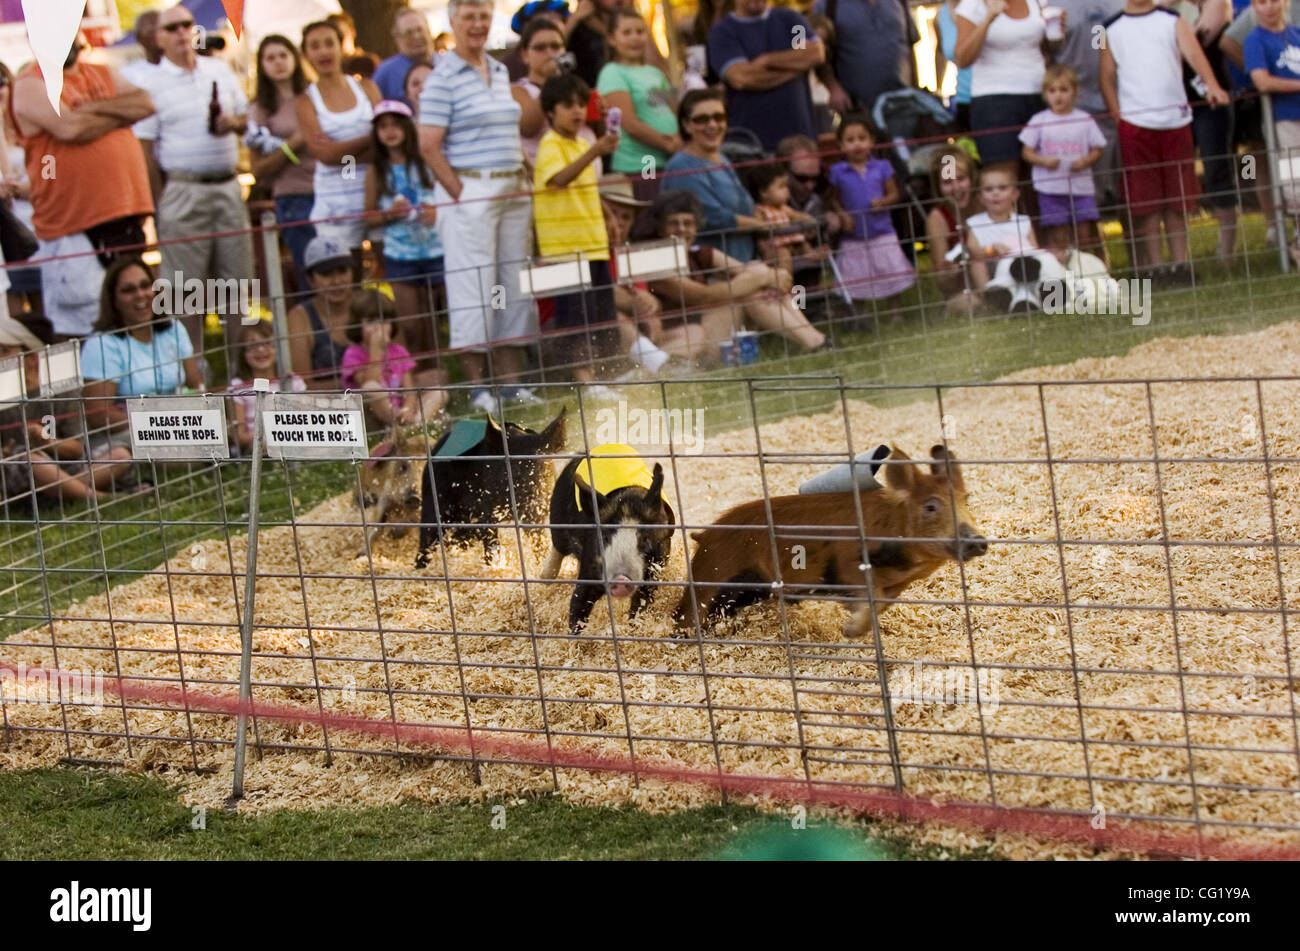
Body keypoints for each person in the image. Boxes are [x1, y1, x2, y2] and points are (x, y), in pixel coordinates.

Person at [418, 0, 538, 417]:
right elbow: (428, 144)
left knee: (512, 281)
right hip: (471, 190)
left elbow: (505, 126)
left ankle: (511, 383)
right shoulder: (441, 77)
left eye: (484, 16)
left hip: (512, 188)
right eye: (469, 16)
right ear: (452, 22)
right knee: (474, 285)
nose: (477, 24)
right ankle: (478, 388)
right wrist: (458, 192)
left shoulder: (501, 69)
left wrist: (522, 163)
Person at [9, 21, 155, 339]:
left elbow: (146, 104)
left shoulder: (102, 72)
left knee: (133, 321)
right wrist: (119, 114)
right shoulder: (30, 84)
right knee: (87, 329)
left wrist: (88, 110)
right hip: (74, 229)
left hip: (124, 220)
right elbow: (69, 130)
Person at [133, 4, 254, 366]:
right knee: (186, 292)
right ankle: (193, 374)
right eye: (172, 28)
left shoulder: (218, 69)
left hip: (229, 186)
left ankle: (241, 373)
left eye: (187, 24)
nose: (182, 32)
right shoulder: (150, 83)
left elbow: (248, 119)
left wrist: (232, 122)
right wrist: (159, 206)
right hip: (182, 190)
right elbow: (146, 153)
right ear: (159, 38)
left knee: (236, 286)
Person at [1100, 0, 1229, 282]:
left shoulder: (1171, 19)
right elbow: (1106, 76)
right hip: (1136, 126)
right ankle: (1157, 268)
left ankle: (1181, 264)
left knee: (1178, 199)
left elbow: (1194, 54)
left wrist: (1213, 86)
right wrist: (1118, 116)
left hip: (1176, 121)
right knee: (1145, 203)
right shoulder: (1108, 28)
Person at [634, 190, 829, 364]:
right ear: (660, 229)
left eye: (688, 223)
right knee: (750, 287)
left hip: (708, 333)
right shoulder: (653, 258)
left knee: (754, 272)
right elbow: (701, 295)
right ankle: (816, 342)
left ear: (696, 228)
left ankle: (814, 340)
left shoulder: (698, 252)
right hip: (688, 342)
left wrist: (772, 276)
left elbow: (748, 270)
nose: (682, 229)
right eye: (673, 223)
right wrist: (764, 278)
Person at [534, 73, 622, 389]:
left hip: (593, 244)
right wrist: (595, 151)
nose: (577, 111)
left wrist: (609, 215)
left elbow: (586, 187)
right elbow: (559, 180)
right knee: (575, 320)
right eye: (568, 105)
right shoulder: (550, 144)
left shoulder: (582, 143)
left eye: (581, 104)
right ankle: (586, 382)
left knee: (601, 315)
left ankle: (607, 377)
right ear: (549, 111)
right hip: (564, 250)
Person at [363, 98, 448, 412]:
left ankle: (438, 384)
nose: (390, 131)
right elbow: (368, 216)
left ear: (408, 128)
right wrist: (390, 214)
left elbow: (447, 196)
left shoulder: (426, 161)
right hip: (400, 256)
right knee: (411, 324)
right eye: (383, 126)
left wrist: (435, 212)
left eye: (395, 124)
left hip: (436, 249)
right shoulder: (377, 171)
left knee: (435, 318)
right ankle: (418, 387)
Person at [80, 258, 203, 454]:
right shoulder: (101, 344)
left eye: (145, 286)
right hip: (129, 433)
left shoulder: (173, 329)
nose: (140, 295)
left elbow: (196, 386)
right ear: (113, 301)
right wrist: (158, 425)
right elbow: (98, 415)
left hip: (180, 425)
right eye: (128, 290)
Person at [0, 342, 134, 505]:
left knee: (120, 455)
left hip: (67, 466)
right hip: (19, 470)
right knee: (29, 459)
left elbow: (77, 448)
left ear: (31, 359)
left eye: (5, 351)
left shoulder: (63, 391)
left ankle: (59, 492)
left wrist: (49, 442)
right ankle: (99, 497)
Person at [297, 19, 382, 252]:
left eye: (329, 43)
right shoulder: (306, 102)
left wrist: (342, 150)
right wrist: (369, 138)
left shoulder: (367, 88)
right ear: (305, 54)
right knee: (346, 277)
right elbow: (325, 155)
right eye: (315, 46)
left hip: (378, 196)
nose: (323, 51)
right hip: (336, 206)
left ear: (341, 46)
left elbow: (388, 139)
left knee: (390, 272)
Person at [953, 0, 1058, 186]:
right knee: (1003, 179)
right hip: (994, 100)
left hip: (1038, 95)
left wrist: (1057, 37)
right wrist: (988, 19)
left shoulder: (1037, 2)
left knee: (1043, 177)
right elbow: (962, 58)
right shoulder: (972, 5)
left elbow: (1040, 48)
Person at [663, 89, 769, 262]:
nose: (712, 125)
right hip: (711, 272)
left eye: (719, 117)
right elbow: (710, 218)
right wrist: (762, 225)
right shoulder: (681, 166)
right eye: (701, 119)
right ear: (686, 125)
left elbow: (741, 207)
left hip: (743, 263)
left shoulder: (722, 159)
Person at [247, 35, 317, 292]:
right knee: (309, 275)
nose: (278, 62)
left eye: (283, 55)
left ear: (295, 58)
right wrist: (292, 145)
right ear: (262, 65)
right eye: (270, 57)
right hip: (294, 198)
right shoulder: (260, 108)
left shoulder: (315, 95)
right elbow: (258, 170)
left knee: (341, 269)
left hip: (331, 192)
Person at [827, 115, 916, 317]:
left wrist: (883, 202)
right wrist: (842, 215)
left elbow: (894, 194)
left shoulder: (882, 167)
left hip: (881, 230)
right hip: (854, 235)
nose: (857, 144)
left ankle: (896, 311)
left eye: (862, 138)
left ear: (872, 141)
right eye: (850, 140)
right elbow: (833, 199)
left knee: (889, 270)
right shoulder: (838, 172)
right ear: (841, 145)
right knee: (856, 273)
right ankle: (860, 314)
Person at [708, 0, 825, 150]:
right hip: (753, 146)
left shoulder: (792, 20)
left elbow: (814, 53)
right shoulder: (723, 32)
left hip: (802, 141)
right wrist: (796, 68)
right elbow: (742, 78)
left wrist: (767, 61)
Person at [1019, 64, 1107, 257]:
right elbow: (1027, 151)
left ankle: (1086, 266)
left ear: (1075, 92)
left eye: (1064, 90)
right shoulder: (1039, 120)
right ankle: (1062, 269)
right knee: (1058, 233)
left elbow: (1098, 147)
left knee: (1084, 233)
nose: (1058, 96)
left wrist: (1085, 161)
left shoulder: (1085, 119)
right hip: (1051, 190)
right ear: (1045, 94)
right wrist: (1043, 161)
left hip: (1081, 188)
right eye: (1052, 91)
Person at [597, 9, 682, 201]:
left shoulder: (654, 73)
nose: (635, 38)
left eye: (640, 31)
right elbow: (630, 124)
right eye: (627, 33)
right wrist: (668, 143)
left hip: (669, 159)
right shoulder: (612, 72)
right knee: (651, 205)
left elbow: (665, 109)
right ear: (611, 39)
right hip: (643, 162)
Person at [1243, 0, 1300, 264]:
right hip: (1284, 121)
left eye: (1274, 0)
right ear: (1255, 6)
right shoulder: (1254, 40)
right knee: (1294, 184)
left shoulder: (1296, 34)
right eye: (1262, 2)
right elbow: (1262, 81)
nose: (1270, 7)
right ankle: (1297, 241)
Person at [599, 175, 671, 374]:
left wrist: (651, 307)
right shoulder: (582, 251)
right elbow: (598, 292)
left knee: (694, 332)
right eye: (612, 214)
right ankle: (660, 368)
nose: (619, 223)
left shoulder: (628, 254)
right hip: (578, 338)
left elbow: (644, 298)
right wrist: (636, 305)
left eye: (626, 217)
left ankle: (651, 369)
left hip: (629, 336)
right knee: (613, 314)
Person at [342, 294, 445, 426]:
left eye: (384, 321)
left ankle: (416, 424)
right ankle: (398, 422)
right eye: (371, 321)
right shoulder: (352, 354)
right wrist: (375, 351)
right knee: (371, 388)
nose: (379, 327)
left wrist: (407, 409)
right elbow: (368, 384)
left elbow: (409, 389)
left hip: (401, 410)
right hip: (371, 414)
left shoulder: (399, 351)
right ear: (357, 325)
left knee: (439, 393)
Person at [286, 236, 363, 388]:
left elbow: (400, 363)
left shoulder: (371, 303)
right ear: (310, 279)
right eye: (326, 274)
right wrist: (358, 385)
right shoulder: (300, 317)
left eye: (342, 271)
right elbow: (302, 387)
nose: (336, 281)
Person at [815, 0, 914, 115]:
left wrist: (915, 90)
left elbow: (910, 46)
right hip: (857, 107)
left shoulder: (900, 2)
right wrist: (833, 87)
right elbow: (815, 54)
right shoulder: (827, 5)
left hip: (903, 103)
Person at [0, 63, 42, 330]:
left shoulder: (30, 127)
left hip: (39, 231)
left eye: (2, 81)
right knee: (14, 323)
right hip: (8, 234)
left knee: (45, 317)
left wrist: (32, 186)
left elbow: (52, 168)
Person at [964, 165, 1039, 308]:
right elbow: (972, 250)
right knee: (976, 262)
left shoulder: (1023, 221)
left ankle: (1031, 297)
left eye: (1002, 188)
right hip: (994, 270)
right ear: (980, 197)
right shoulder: (976, 223)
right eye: (988, 189)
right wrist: (991, 250)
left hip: (1021, 267)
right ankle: (989, 297)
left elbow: (1035, 249)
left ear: (1015, 194)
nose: (995, 193)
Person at [227, 320, 306, 452]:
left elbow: (307, 421)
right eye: (252, 345)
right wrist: (268, 441)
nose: (261, 350)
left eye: (267, 343)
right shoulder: (238, 387)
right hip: (255, 448)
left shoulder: (294, 381)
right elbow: (238, 436)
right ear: (243, 353)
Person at [924, 143, 990, 300]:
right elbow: (942, 283)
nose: (955, 188)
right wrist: (950, 273)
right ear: (938, 186)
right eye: (947, 182)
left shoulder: (987, 202)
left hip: (997, 277)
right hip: (963, 291)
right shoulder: (937, 218)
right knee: (971, 302)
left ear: (972, 178)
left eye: (961, 179)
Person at [744, 161, 831, 279]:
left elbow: (799, 216)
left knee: (803, 242)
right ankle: (786, 282)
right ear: (763, 192)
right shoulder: (760, 210)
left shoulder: (784, 208)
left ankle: (809, 253)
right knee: (783, 254)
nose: (787, 191)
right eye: (781, 187)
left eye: (786, 186)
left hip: (792, 242)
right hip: (774, 247)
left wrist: (809, 222)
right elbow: (760, 228)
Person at [512, 17, 571, 165]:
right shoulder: (518, 90)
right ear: (525, 55)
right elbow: (529, 127)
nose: (550, 53)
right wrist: (549, 80)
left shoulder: (573, 86)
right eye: (540, 48)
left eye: (556, 47)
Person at [374, 7, 436, 102]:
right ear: (397, 39)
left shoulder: (446, 64)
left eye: (420, 30)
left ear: (429, 31)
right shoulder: (385, 73)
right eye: (408, 33)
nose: (416, 36)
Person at [936, 0, 974, 129]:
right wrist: (938, 89)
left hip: (992, 97)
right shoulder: (941, 14)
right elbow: (940, 52)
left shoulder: (983, 6)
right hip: (963, 98)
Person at [329, 11, 381, 79]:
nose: (339, 41)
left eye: (341, 34)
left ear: (352, 32)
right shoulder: (330, 68)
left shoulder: (370, 62)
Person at [120, 10, 164, 87]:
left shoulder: (186, 67)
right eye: (149, 31)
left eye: (158, 28)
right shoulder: (129, 74)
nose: (154, 34)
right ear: (138, 37)